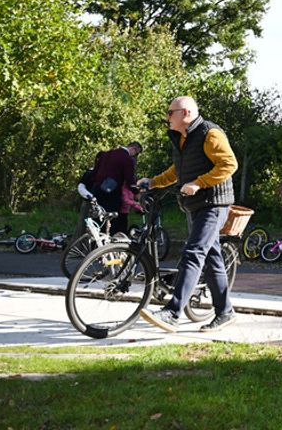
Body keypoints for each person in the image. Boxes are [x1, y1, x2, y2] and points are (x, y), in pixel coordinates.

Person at [137, 96, 239, 332]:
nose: (167, 118)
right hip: (196, 205)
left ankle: (173, 312)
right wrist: (153, 182)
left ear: (185, 113)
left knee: (193, 252)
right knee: (212, 259)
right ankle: (225, 312)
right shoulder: (183, 138)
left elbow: (229, 164)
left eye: (170, 113)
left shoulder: (210, 134)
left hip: (214, 204)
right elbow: (178, 170)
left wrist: (199, 183)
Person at [79, 142, 142, 236]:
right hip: (112, 192)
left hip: (97, 189)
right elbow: (130, 179)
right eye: (137, 153)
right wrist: (136, 193)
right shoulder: (126, 159)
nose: (135, 155)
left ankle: (94, 243)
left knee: (97, 217)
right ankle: (108, 244)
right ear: (134, 149)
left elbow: (95, 171)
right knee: (112, 218)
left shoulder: (107, 153)